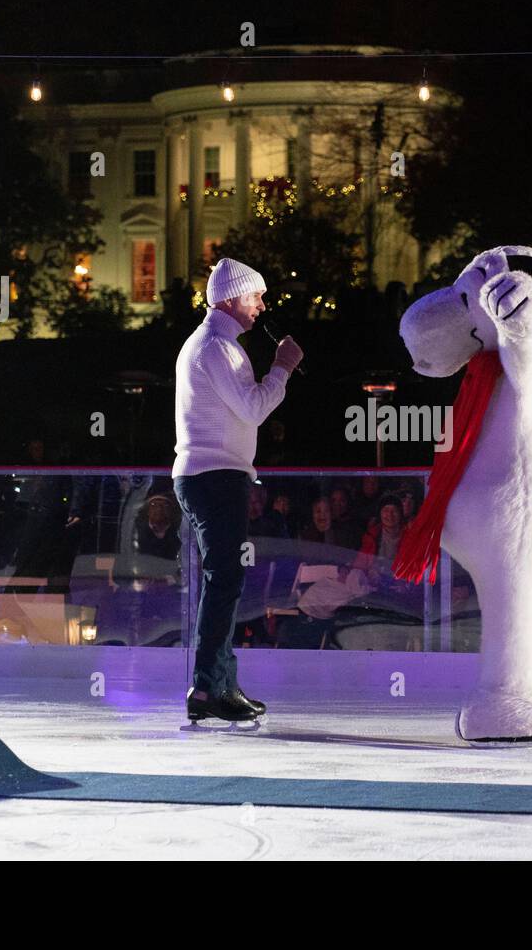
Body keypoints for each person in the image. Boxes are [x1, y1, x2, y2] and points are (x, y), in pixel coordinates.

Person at [172, 257, 304, 724]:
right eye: (255, 297)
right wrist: (282, 368)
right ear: (230, 298)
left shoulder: (212, 344)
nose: (261, 306)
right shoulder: (217, 347)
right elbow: (252, 409)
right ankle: (210, 688)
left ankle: (218, 683)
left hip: (211, 475)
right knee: (223, 579)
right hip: (215, 476)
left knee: (224, 579)